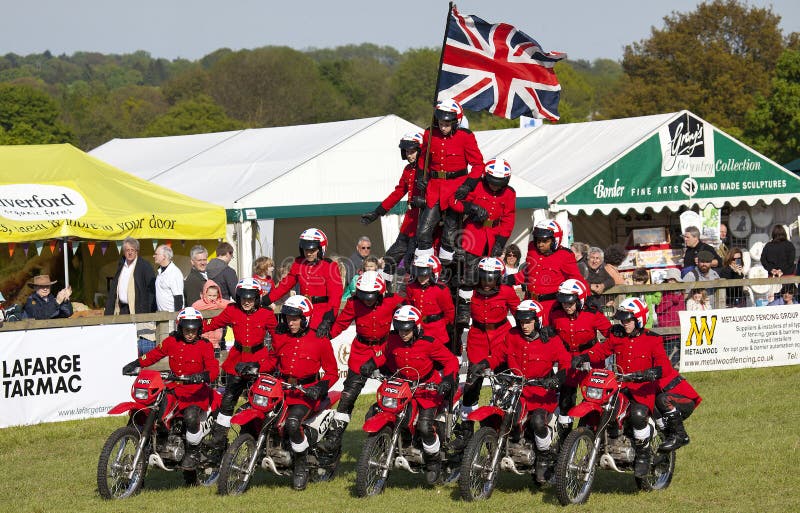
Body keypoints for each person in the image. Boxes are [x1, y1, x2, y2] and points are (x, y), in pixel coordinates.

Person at [572, 298, 672, 478]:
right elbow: (601, 350)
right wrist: (584, 356)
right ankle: (602, 442)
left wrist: (652, 372)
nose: (624, 323)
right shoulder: (617, 337)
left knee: (638, 414)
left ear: (639, 319)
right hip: (620, 385)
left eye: (628, 320)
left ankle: (643, 455)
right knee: (604, 407)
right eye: (622, 320)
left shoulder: (653, 339)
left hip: (643, 389)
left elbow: (664, 366)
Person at [122, 307, 219, 470]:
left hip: (195, 392)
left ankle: (193, 452)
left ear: (199, 329)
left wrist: (202, 376)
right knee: (155, 411)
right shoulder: (171, 341)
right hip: (173, 388)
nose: (190, 334)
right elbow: (154, 354)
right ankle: (154, 443)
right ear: (180, 328)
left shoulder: (205, 345)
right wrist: (136, 363)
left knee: (190, 417)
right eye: (186, 330)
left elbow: (214, 369)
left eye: (193, 330)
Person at [319, 271, 404, 455]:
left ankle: (400, 438)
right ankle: (333, 440)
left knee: (398, 393)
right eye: (363, 295)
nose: (366, 300)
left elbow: (411, 313)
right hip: (361, 352)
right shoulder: (353, 303)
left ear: (380, 293)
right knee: (347, 397)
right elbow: (341, 324)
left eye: (370, 296)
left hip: (386, 350)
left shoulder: (392, 300)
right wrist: (323, 337)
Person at [204, 278, 278, 464]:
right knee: (228, 400)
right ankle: (218, 441)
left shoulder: (267, 314)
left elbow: (278, 339)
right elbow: (212, 323)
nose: (246, 301)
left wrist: (273, 360)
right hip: (237, 361)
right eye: (243, 298)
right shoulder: (232, 310)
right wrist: (190, 326)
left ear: (257, 298)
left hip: (259, 361)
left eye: (250, 298)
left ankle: (263, 439)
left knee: (261, 402)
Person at [384, 305, 459, 484]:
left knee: (425, 427)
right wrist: (372, 365)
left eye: (407, 329)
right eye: (399, 328)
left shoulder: (429, 343)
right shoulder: (393, 340)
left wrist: (447, 380)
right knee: (381, 413)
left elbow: (451, 361)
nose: (402, 333)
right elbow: (386, 358)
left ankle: (433, 462)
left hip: (428, 389)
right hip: (404, 388)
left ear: (416, 327)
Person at [271, 295, 339, 490]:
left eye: (295, 319)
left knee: (293, 423)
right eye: (287, 318)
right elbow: (271, 360)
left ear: (305, 318)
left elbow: (332, 372)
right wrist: (254, 367)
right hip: (281, 388)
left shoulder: (320, 340)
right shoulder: (281, 336)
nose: (290, 323)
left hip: (306, 393)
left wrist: (320, 387)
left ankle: (301, 468)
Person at [456, 257, 520, 449]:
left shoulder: (507, 291)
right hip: (478, 339)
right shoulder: (470, 291)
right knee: (471, 386)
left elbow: (520, 314)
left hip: (502, 338)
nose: (487, 282)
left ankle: (507, 429)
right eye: (484, 277)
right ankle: (466, 431)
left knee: (505, 387)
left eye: (491, 278)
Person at [414, 98, 486, 265]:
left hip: (456, 189)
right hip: (434, 188)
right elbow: (423, 159)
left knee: (449, 236)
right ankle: (426, 266)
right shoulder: (429, 133)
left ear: (455, 122)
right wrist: (420, 177)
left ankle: (445, 270)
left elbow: (478, 165)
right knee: (423, 232)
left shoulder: (465, 136)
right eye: (440, 123)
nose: (443, 127)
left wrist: (468, 186)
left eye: (447, 124)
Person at [505, 299, 570, 483]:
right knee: (506, 416)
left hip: (542, 394)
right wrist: (484, 364)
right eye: (521, 321)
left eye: (528, 321)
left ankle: (543, 456)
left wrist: (557, 379)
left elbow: (566, 362)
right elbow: (501, 355)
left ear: (538, 320)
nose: (524, 326)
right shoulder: (512, 335)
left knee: (538, 421)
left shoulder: (551, 340)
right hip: (519, 391)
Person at [447, 157, 516, 326]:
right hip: (473, 234)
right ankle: (464, 309)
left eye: (499, 183)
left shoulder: (509, 193)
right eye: (492, 182)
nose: (495, 186)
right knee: (468, 275)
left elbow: (508, 219)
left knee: (488, 277)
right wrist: (471, 208)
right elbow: (454, 201)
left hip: (493, 236)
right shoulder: (476, 185)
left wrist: (501, 242)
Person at [361, 132, 427, 289]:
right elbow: (398, 192)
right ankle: (384, 291)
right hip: (410, 223)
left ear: (420, 150)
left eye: (412, 151)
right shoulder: (408, 170)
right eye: (407, 151)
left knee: (411, 263)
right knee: (390, 258)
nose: (409, 155)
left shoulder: (428, 170)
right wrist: (377, 212)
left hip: (424, 221)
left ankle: (413, 293)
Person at [548, 279, 610, 441]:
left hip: (592, 360)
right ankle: (565, 443)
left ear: (580, 300)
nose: (566, 306)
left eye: (570, 302)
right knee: (565, 402)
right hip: (568, 361)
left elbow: (611, 338)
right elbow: (550, 336)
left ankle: (599, 440)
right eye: (563, 302)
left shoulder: (592, 314)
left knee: (596, 401)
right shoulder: (555, 314)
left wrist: (592, 354)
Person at [264, 228, 343, 336]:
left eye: (312, 250)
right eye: (306, 250)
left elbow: (335, 296)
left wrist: (328, 319)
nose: (308, 253)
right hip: (301, 313)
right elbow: (284, 286)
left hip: (321, 313)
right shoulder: (298, 263)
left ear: (321, 249)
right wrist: (265, 300)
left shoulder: (330, 266)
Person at [509, 220, 587, 321]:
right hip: (530, 303)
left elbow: (577, 280)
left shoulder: (564, 255)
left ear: (555, 240)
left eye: (545, 241)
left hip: (551, 307)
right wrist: (512, 279)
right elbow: (531, 272)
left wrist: (588, 300)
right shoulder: (532, 248)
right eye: (538, 240)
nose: (540, 244)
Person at [105, 236, 157, 355]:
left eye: (132, 250)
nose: (129, 252)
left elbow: (151, 291)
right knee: (123, 339)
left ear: (137, 251)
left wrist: (148, 311)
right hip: (122, 309)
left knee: (139, 341)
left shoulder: (144, 266)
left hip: (139, 309)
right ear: (124, 251)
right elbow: (114, 289)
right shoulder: (121, 265)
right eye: (127, 250)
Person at [402, 254, 455, 350]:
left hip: (436, 330)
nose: (421, 278)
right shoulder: (411, 287)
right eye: (419, 275)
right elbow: (409, 306)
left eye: (425, 275)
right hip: (418, 329)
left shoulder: (441, 290)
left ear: (433, 274)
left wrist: (443, 325)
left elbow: (449, 312)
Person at [654, 361, 702, 453]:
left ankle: (681, 435)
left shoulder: (653, 361)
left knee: (662, 399)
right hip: (661, 398)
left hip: (683, 400)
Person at [191, 280, 231, 357]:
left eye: (214, 296)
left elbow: (231, 304)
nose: (212, 298)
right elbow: (194, 307)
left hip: (216, 342)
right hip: (203, 339)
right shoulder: (199, 304)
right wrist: (216, 305)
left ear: (218, 295)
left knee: (216, 360)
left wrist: (217, 304)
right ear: (205, 294)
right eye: (209, 295)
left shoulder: (220, 302)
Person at [153, 244, 184, 313]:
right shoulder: (160, 270)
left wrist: (176, 317)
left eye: (156, 254)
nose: (154, 256)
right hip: (161, 314)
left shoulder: (174, 273)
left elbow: (178, 298)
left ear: (164, 256)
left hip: (171, 315)